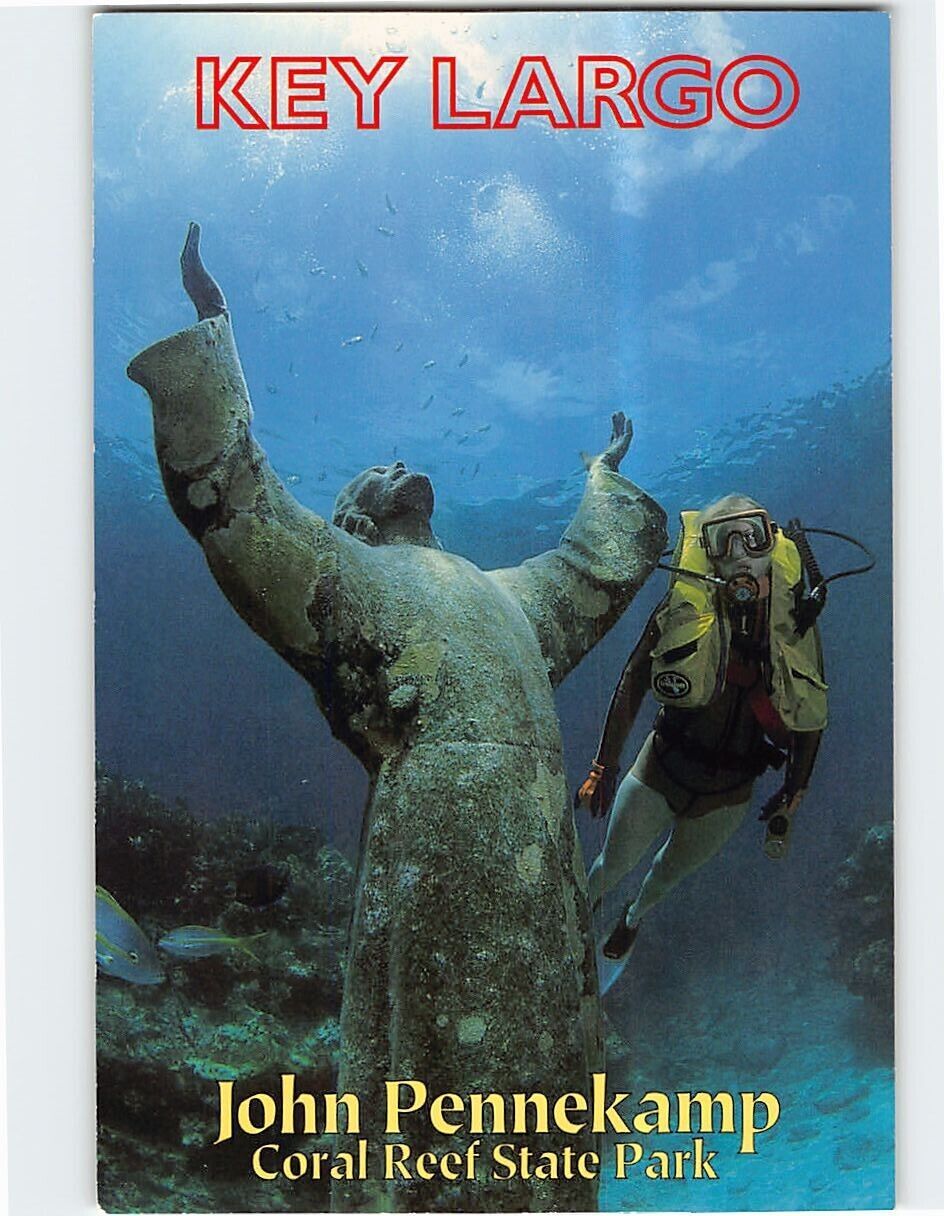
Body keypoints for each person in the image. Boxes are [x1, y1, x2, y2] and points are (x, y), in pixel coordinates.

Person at [127, 223, 667, 1211]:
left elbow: (590, 569)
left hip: (537, 848)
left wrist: (604, 476)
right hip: (439, 832)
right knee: (429, 1069)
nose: (397, 464)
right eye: (373, 470)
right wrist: (214, 327)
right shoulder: (341, 573)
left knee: (551, 1059)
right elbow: (234, 498)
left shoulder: (508, 592)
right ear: (355, 520)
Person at [576, 494, 827, 962]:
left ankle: (633, 916)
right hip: (660, 771)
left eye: (751, 536)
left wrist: (795, 791)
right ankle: (571, 928)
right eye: (724, 540)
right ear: (707, 552)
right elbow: (635, 677)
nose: (740, 554)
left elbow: (812, 711)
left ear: (772, 541)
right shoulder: (683, 606)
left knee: (665, 877)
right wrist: (603, 766)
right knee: (610, 866)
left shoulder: (795, 619)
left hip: (728, 796)